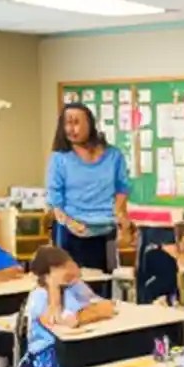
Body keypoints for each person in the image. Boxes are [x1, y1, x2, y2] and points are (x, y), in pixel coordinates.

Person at [46, 103, 130, 273]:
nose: (71, 128)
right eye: (66, 123)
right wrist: (70, 223)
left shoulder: (113, 155)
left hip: (106, 229)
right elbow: (55, 201)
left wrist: (119, 215)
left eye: (76, 122)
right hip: (72, 230)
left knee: (104, 284)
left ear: (90, 124)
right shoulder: (59, 158)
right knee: (73, 286)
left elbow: (122, 188)